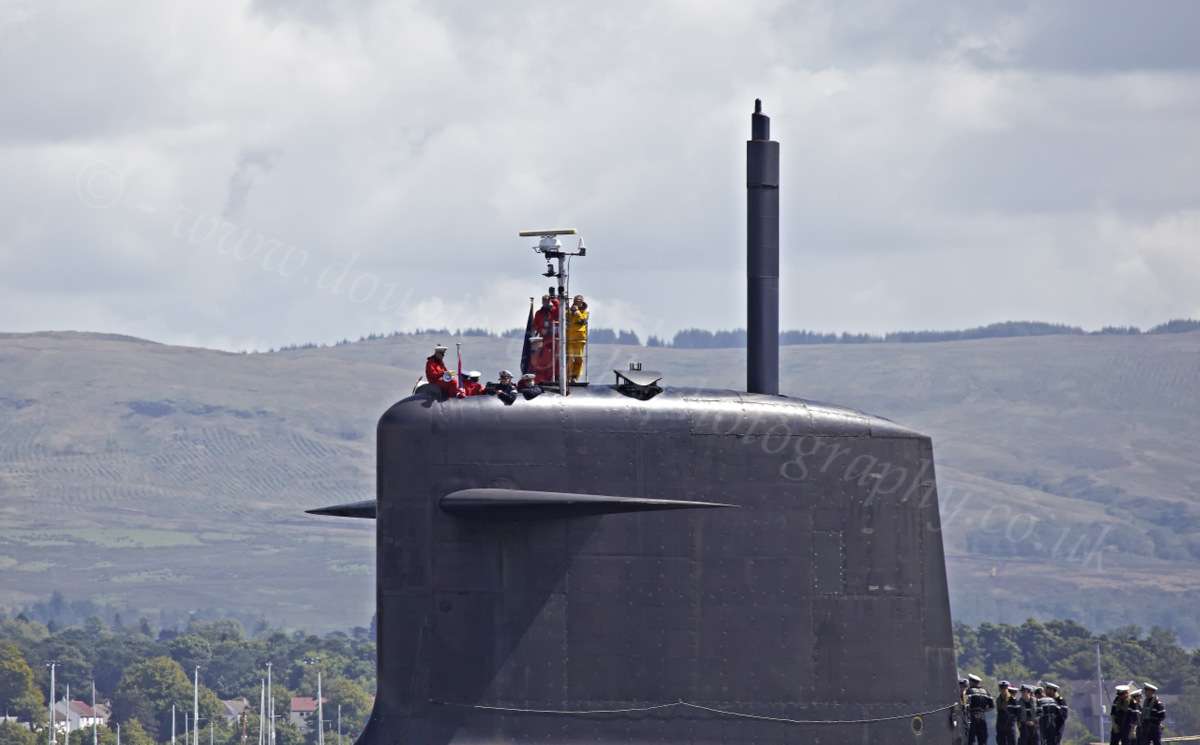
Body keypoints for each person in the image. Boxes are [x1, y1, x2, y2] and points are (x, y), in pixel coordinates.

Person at [965, 674, 994, 745]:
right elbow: (992, 706)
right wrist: (983, 711)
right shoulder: (985, 691)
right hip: (982, 716)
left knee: (971, 738)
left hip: (972, 716)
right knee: (982, 739)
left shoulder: (969, 691)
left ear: (972, 682)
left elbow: (965, 704)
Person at [566, 294, 589, 383]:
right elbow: (566, 319)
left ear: (582, 302)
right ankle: (568, 376)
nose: (577, 302)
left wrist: (577, 313)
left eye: (579, 301)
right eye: (576, 301)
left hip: (580, 339)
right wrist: (571, 312)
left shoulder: (585, 312)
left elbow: (583, 321)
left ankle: (575, 377)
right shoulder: (569, 311)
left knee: (579, 359)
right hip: (570, 338)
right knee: (570, 359)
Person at [996, 680, 1017, 745]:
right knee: (1000, 742)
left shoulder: (1013, 699)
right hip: (1000, 724)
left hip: (1010, 724)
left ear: (1007, 689)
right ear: (999, 689)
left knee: (1012, 742)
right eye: (1002, 688)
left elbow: (1016, 712)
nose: (1003, 690)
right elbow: (1000, 709)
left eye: (1005, 688)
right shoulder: (998, 699)